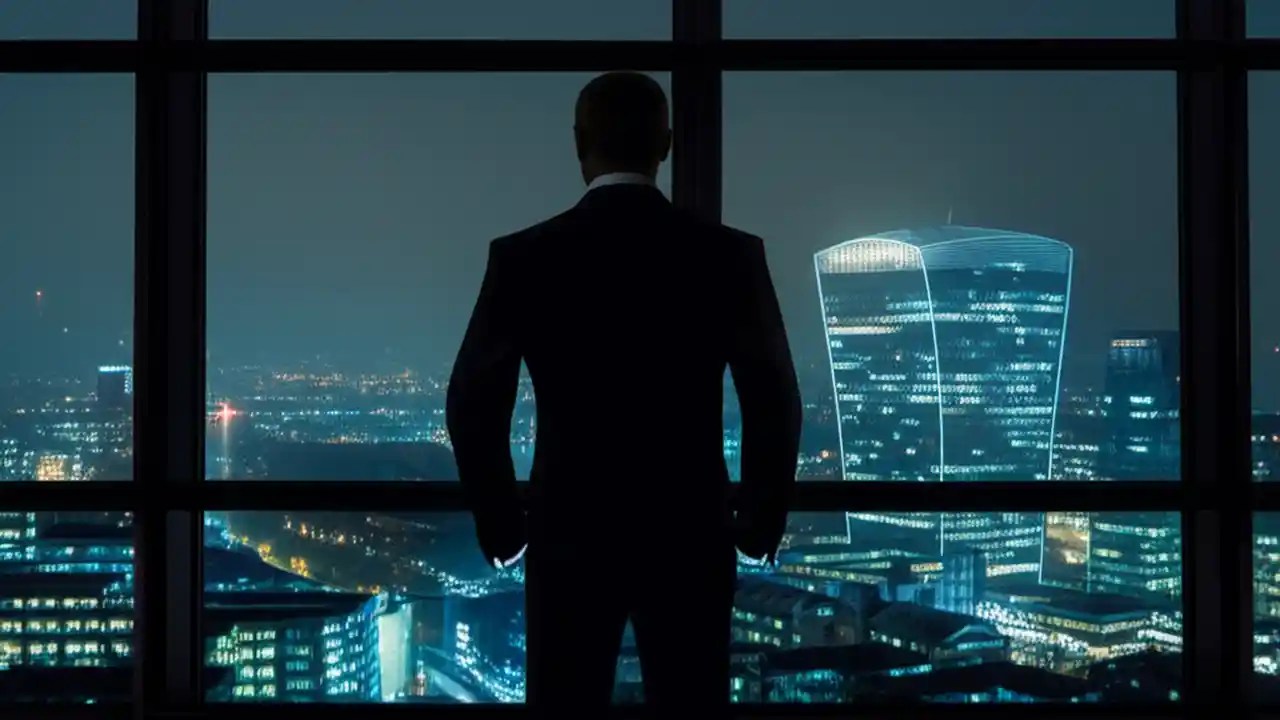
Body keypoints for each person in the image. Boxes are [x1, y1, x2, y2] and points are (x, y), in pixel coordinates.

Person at [446, 70, 801, 712]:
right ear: (665, 143)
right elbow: (772, 394)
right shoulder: (729, 257)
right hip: (689, 528)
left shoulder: (524, 256)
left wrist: (504, 525)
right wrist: (758, 521)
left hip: (569, 528)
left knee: (565, 697)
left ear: (579, 142)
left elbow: (472, 399)